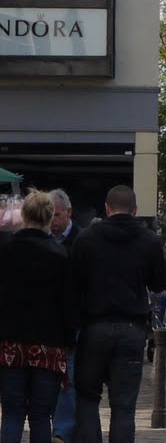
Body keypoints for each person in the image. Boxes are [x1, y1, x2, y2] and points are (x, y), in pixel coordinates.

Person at [71, 185, 166, 443]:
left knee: (88, 398)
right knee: (124, 405)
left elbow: (73, 285)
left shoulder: (86, 239)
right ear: (134, 210)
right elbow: (159, 283)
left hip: (94, 327)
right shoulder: (149, 241)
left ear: (106, 208)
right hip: (131, 328)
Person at [0, 188, 77, 443]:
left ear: (23, 214)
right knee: (41, 415)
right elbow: (68, 306)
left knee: (12, 413)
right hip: (48, 345)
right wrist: (68, 342)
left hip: (9, 342)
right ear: (48, 218)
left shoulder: (5, 251)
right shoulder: (60, 257)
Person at [48, 190, 79, 443]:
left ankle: (62, 430)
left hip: (71, 320)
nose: (53, 221)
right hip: (46, 322)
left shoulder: (81, 241)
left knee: (68, 377)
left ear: (68, 212)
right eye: (49, 216)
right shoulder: (43, 240)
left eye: (57, 215)